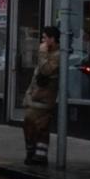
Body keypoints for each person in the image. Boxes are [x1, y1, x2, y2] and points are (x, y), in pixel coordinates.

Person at [22, 25, 61, 166]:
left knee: (34, 123)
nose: (42, 41)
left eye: (45, 38)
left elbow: (45, 71)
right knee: (36, 125)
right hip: (35, 95)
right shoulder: (47, 52)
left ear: (52, 39)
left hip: (44, 97)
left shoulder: (57, 55)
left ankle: (36, 154)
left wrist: (43, 53)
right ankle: (37, 155)